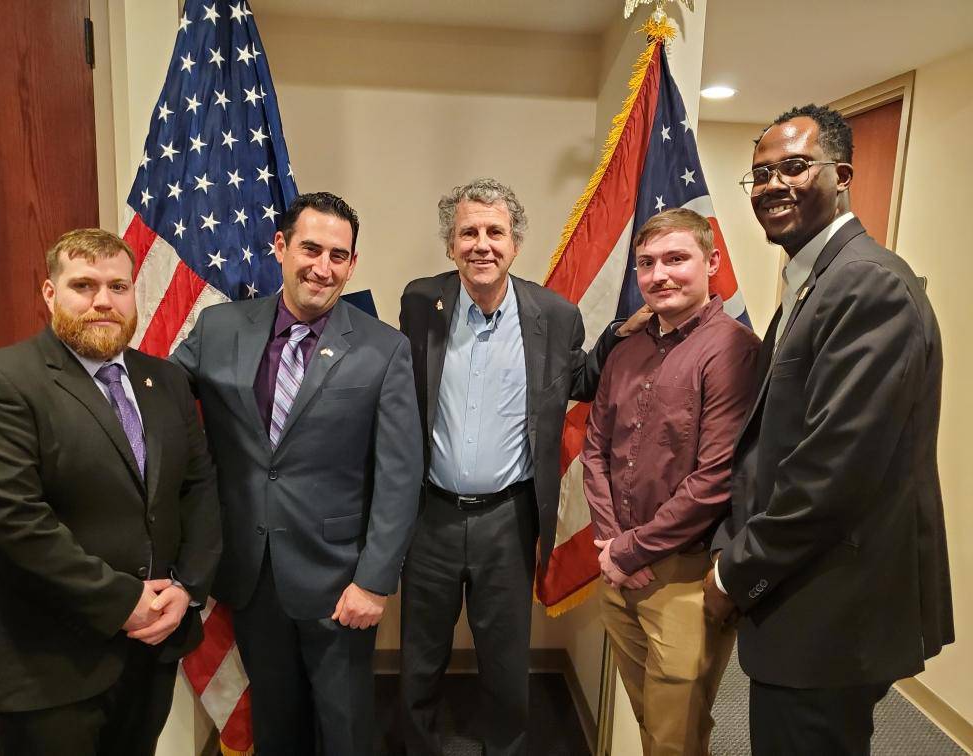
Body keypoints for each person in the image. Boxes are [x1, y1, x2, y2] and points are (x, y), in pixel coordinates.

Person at [703, 104, 954, 754]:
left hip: (832, 609)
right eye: (760, 174)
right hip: (807, 598)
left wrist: (735, 572)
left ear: (840, 175)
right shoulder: (814, 280)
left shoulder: (867, 286)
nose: (772, 186)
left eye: (793, 167)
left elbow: (831, 474)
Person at [170, 191, 422, 756]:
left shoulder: (384, 349)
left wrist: (374, 581)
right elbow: (161, 398)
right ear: (281, 247)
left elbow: (400, 476)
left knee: (344, 727)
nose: (322, 267)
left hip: (339, 579)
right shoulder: (219, 327)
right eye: (310, 249)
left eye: (338, 255)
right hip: (252, 572)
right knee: (275, 723)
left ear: (352, 264)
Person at [398, 178, 642, 755]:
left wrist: (617, 338)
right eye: (468, 233)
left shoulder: (554, 315)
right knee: (420, 655)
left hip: (508, 520)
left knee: (505, 658)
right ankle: (416, 747)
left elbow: (578, 382)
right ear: (450, 244)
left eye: (495, 232)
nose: (481, 244)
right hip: (430, 516)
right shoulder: (420, 303)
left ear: (516, 243)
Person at [0, 229, 221, 756]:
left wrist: (187, 587)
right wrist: (123, 601)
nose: (104, 301)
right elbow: (12, 522)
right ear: (50, 292)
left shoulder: (166, 381)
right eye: (84, 285)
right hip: (46, 665)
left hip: (149, 654)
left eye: (118, 286)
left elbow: (198, 490)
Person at [582, 208, 759, 755]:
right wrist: (613, 544)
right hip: (618, 572)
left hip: (685, 577)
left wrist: (630, 551)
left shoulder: (734, 350)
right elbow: (595, 450)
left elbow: (715, 480)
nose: (659, 275)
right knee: (651, 724)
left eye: (676, 259)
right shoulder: (626, 350)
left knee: (676, 734)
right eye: (647, 263)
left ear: (712, 262)